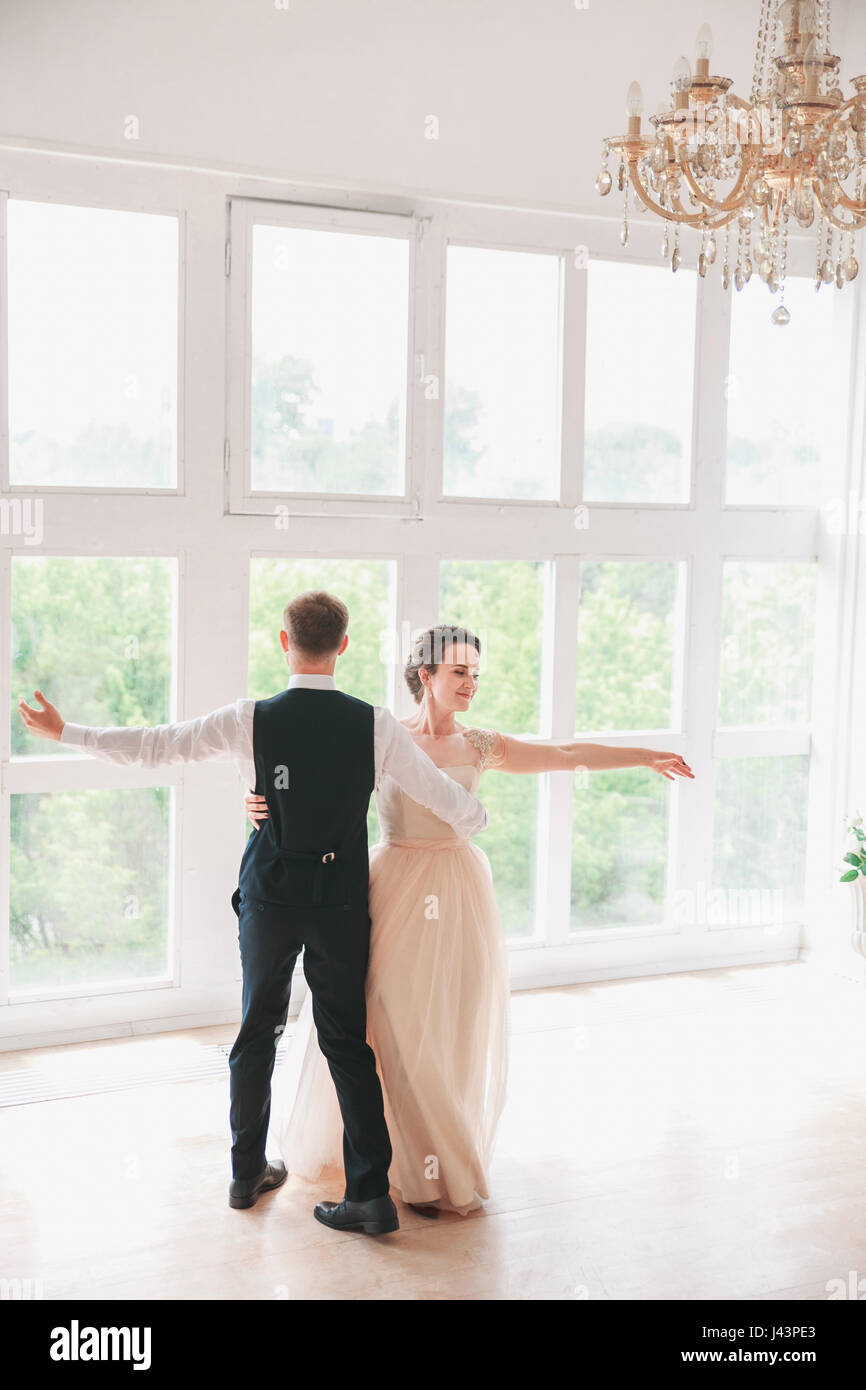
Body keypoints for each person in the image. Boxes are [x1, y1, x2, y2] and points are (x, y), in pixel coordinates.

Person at [16, 591, 490, 1236]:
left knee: (255, 1032)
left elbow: (159, 746)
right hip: (341, 903)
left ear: (283, 642)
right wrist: (473, 819)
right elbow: (446, 800)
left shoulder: (250, 718)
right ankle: (371, 1196)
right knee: (348, 1041)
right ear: (343, 647)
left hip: (270, 897)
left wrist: (65, 732)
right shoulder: (376, 724)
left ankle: (245, 1176)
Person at [244, 622, 695, 1216]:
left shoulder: (479, 745)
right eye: (459, 672)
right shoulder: (380, 736)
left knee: (444, 1028)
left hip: (457, 893)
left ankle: (432, 1168)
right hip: (390, 886)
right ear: (425, 676)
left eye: (476, 674)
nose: (471, 684)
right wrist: (259, 802)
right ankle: (388, 1164)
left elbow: (565, 755)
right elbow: (308, 776)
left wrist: (643, 756)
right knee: (382, 1023)